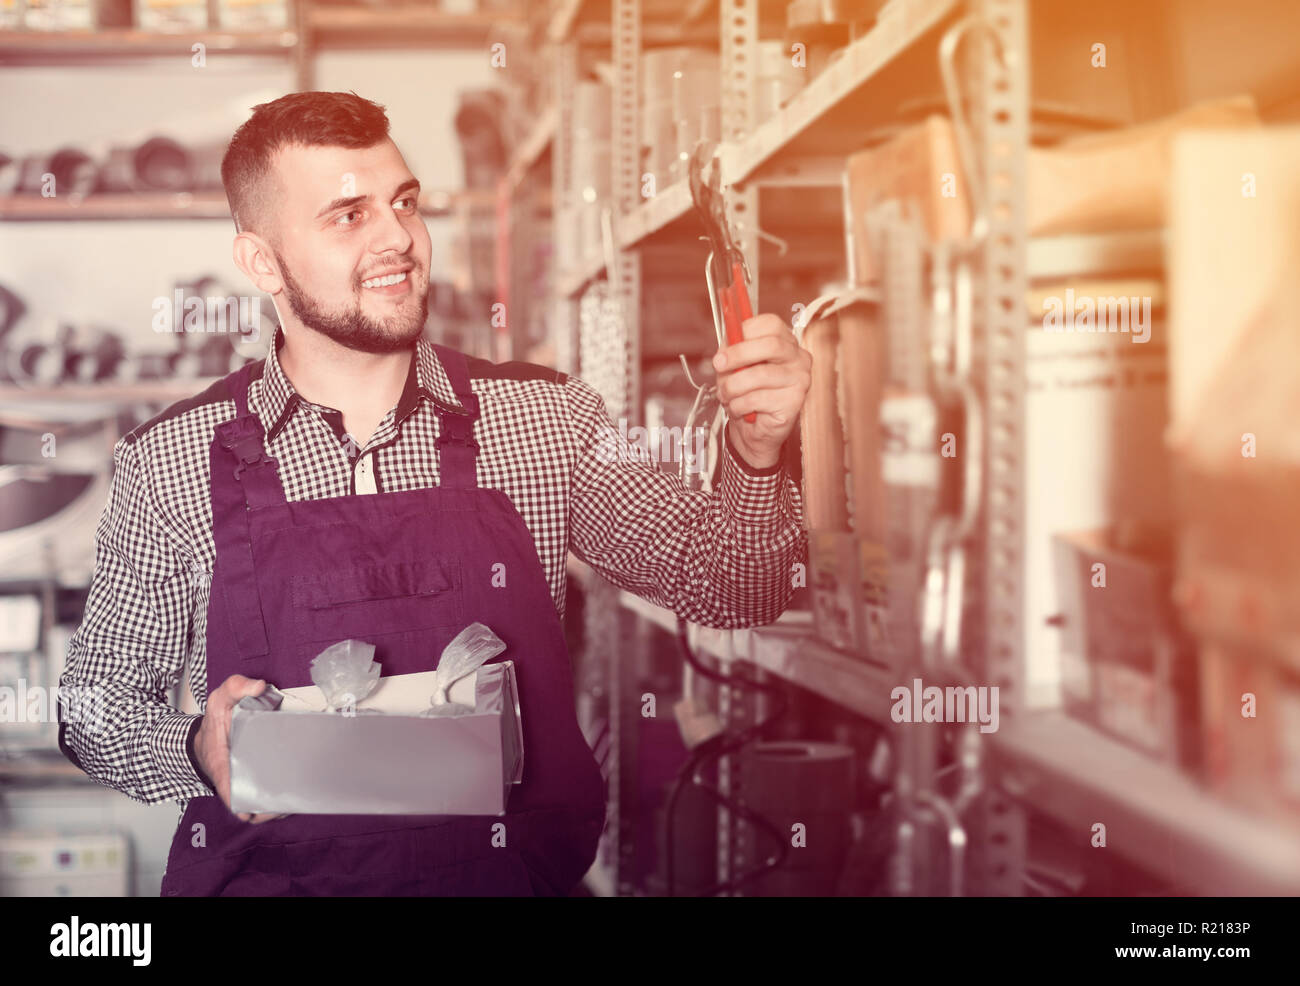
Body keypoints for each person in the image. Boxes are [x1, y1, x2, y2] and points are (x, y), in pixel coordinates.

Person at [57, 90, 811, 896]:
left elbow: (739, 587)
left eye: (404, 202)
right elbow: (92, 707)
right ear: (263, 263)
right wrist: (197, 751)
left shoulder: (543, 422)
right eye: (348, 215)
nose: (398, 239)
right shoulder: (173, 458)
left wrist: (757, 452)